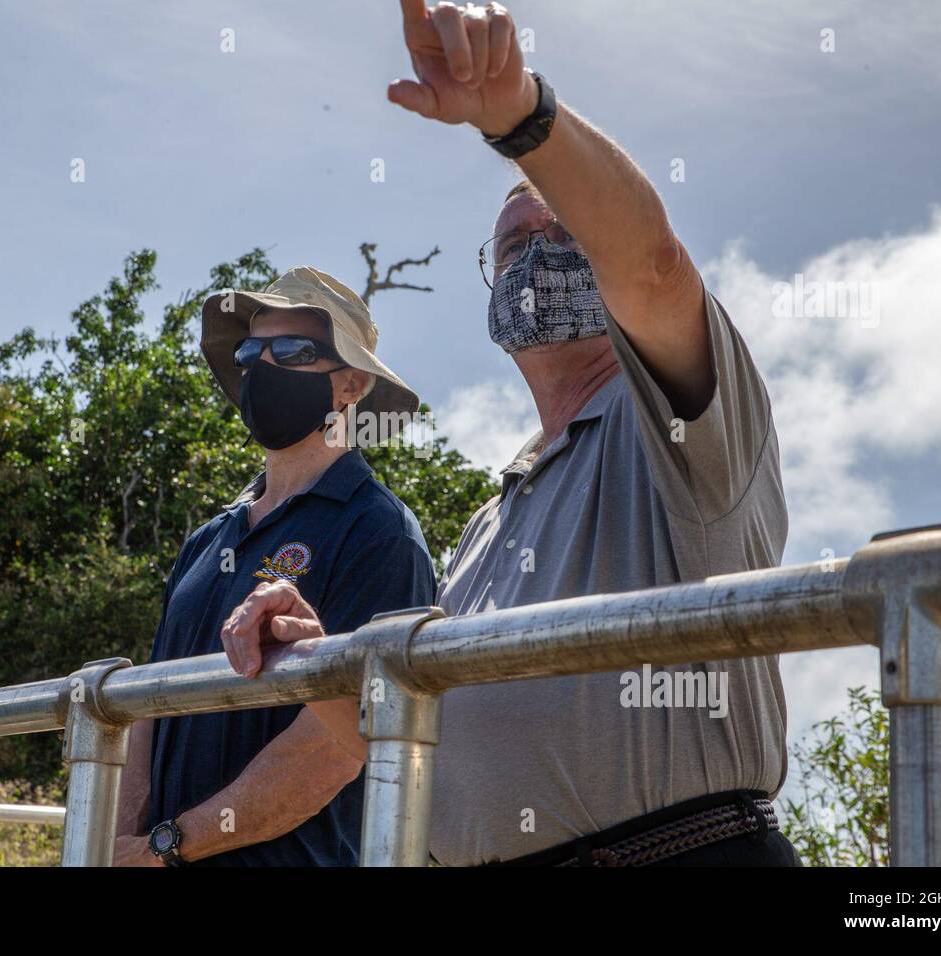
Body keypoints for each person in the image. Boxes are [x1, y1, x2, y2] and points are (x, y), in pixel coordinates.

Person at [220, 1, 797, 866]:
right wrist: (317, 656)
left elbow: (653, 264)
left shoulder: (680, 431)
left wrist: (521, 118)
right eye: (514, 244)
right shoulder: (495, 520)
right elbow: (408, 743)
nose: (536, 255)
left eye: (564, 235)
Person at [113, 266, 437, 867]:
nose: (262, 365)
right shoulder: (207, 540)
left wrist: (171, 845)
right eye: (249, 350)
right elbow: (149, 707)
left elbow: (341, 744)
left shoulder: (379, 532)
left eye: (290, 350)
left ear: (351, 386)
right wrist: (123, 843)